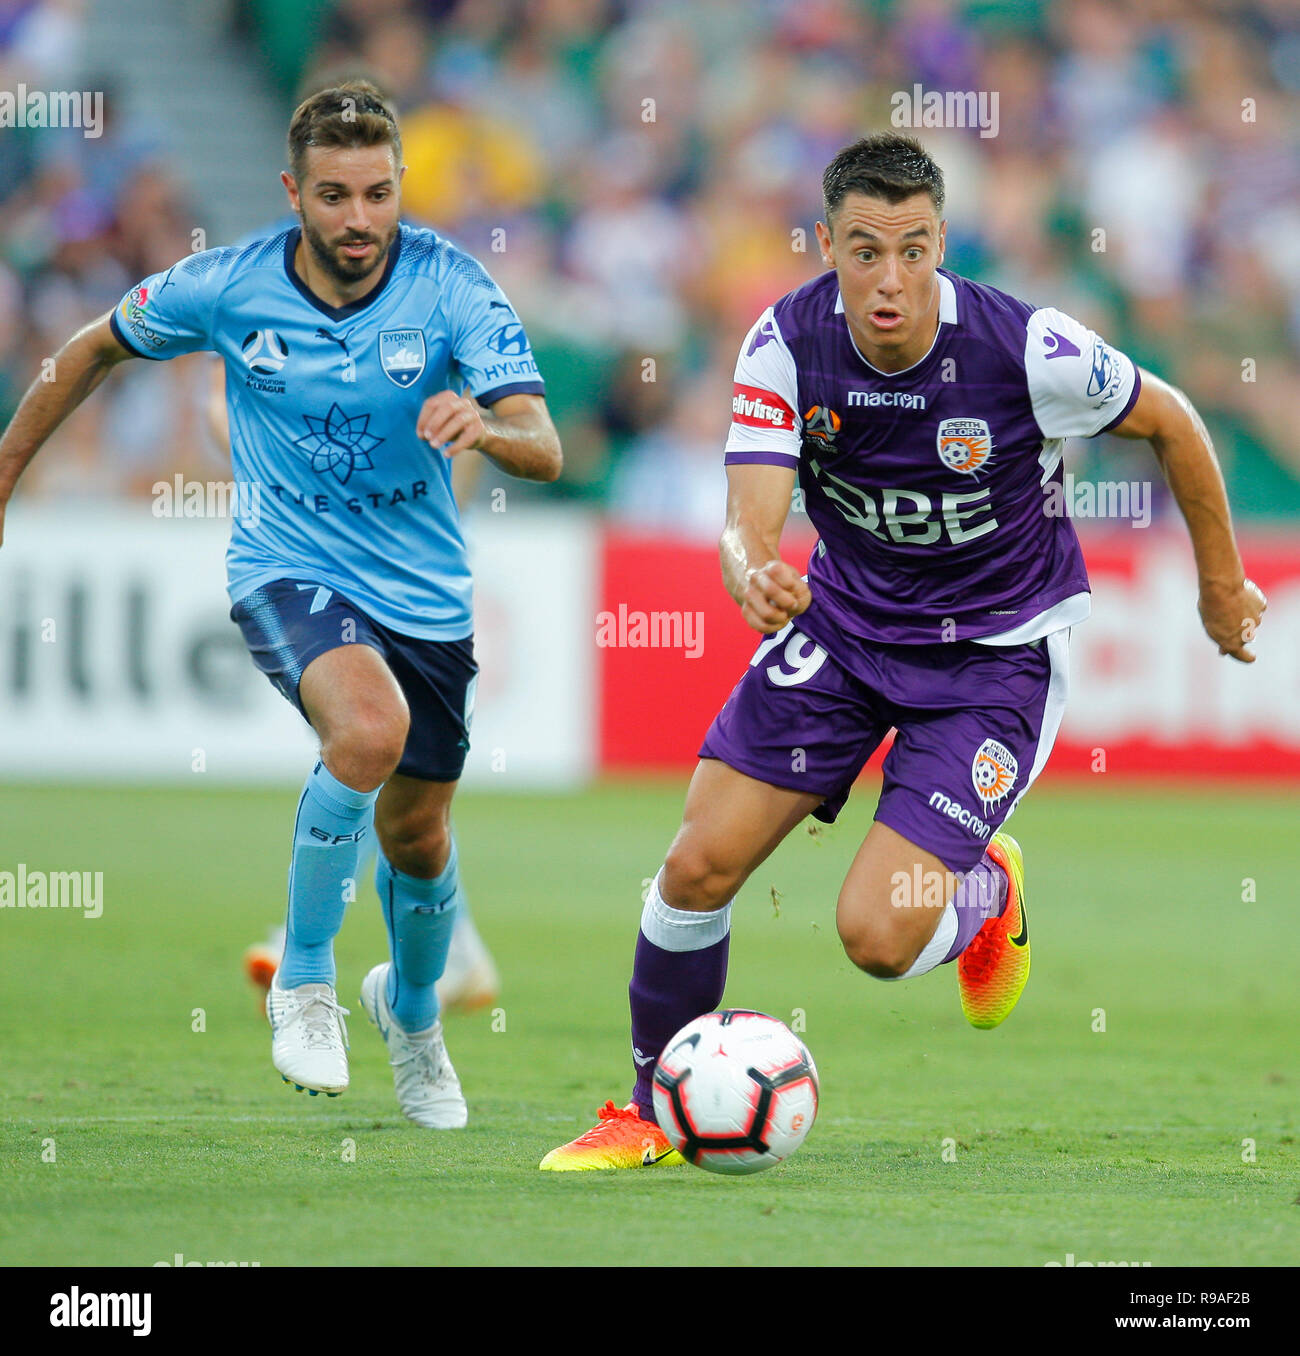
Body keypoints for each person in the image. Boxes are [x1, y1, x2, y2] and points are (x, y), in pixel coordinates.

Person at [539, 132, 1265, 1170]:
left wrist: (1219, 581)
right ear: (827, 245)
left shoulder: (1029, 347)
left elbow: (1177, 420)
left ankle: (986, 894)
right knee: (696, 865)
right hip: (842, 630)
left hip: (995, 658)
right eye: (866, 251)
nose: (890, 280)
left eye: (914, 250)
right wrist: (751, 570)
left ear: (942, 246)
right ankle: (646, 1112)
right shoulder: (783, 345)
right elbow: (747, 519)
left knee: (878, 939)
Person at [0, 80, 561, 1131]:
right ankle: (305, 985)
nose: (359, 219)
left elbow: (545, 441)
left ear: (401, 187)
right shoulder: (228, 285)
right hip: (286, 565)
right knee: (367, 731)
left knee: (422, 836)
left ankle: (413, 1018)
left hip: (426, 597)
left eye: (380, 194)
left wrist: (487, 431)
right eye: (336, 194)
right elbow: (86, 351)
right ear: (292, 189)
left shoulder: (452, 286)